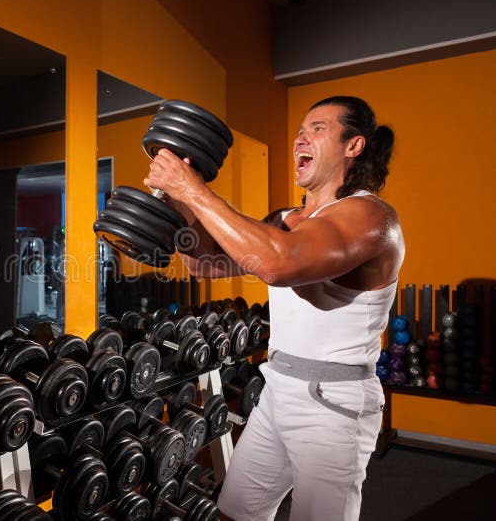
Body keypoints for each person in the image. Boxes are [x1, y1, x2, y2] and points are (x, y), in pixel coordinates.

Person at [144, 96, 404, 521]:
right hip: (276, 389)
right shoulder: (284, 219)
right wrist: (179, 202)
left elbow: (277, 264)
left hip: (334, 406)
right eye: (301, 129)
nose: (302, 137)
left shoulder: (371, 218)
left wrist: (192, 187)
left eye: (318, 128)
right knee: (235, 512)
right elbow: (205, 263)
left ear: (353, 145)